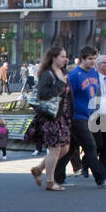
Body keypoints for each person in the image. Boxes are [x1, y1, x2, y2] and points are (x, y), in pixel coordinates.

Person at [53, 47, 106, 188]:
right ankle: (101, 177)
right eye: (89, 59)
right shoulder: (75, 75)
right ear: (82, 59)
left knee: (70, 149)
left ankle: (57, 177)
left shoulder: (94, 72)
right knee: (90, 145)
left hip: (89, 115)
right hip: (76, 116)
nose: (92, 61)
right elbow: (67, 95)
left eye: (94, 58)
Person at [29, 46, 72, 192]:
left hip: (61, 116)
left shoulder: (63, 72)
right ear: (53, 58)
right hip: (49, 116)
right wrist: (60, 84)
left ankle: (38, 169)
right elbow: (43, 94)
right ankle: (50, 181)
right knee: (55, 148)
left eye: (65, 56)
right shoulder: (48, 74)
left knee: (65, 148)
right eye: (62, 56)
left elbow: (67, 95)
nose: (65, 59)